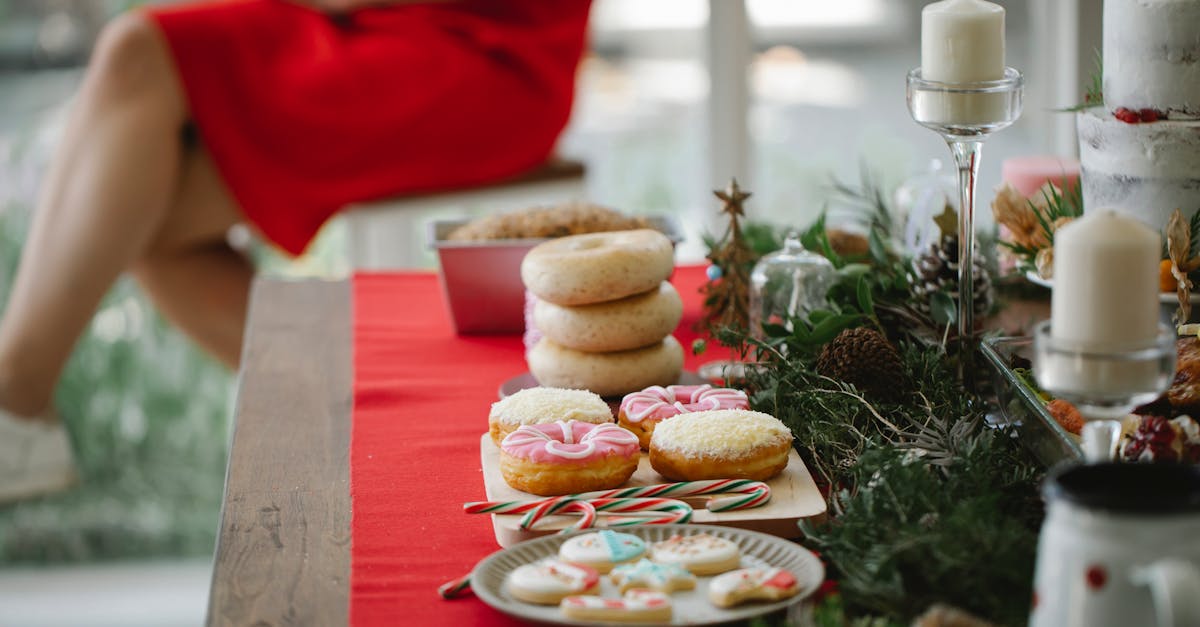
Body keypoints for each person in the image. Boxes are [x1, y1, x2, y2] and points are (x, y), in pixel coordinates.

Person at [0, 0, 592, 502]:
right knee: (127, 187)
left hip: (492, 53)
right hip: (382, 24)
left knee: (130, 153)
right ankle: (370, 430)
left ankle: (15, 403)